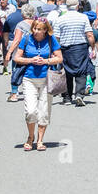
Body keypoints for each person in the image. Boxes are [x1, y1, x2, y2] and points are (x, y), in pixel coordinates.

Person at [15, 17, 62, 151]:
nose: (36, 31)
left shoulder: (50, 40)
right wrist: (31, 60)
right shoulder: (27, 39)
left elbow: (60, 58)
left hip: (47, 79)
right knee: (30, 111)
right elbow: (17, 57)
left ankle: (40, 140)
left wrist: (46, 61)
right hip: (29, 78)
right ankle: (31, 137)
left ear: (46, 30)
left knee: (44, 112)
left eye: (39, 29)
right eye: (35, 28)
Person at [52, 0, 96, 106]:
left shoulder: (60, 19)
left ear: (66, 6)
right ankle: (79, 95)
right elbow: (89, 34)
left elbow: (56, 37)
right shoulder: (83, 17)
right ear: (77, 6)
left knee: (66, 72)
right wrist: (93, 48)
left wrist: (55, 51)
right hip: (80, 48)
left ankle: (67, 98)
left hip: (65, 48)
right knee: (81, 72)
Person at [1, 0, 27, 99]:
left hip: (13, 42)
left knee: (15, 65)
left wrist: (7, 43)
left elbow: (5, 31)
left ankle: (14, 89)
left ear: (17, 4)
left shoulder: (11, 16)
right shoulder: (31, 18)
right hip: (28, 43)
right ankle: (26, 86)